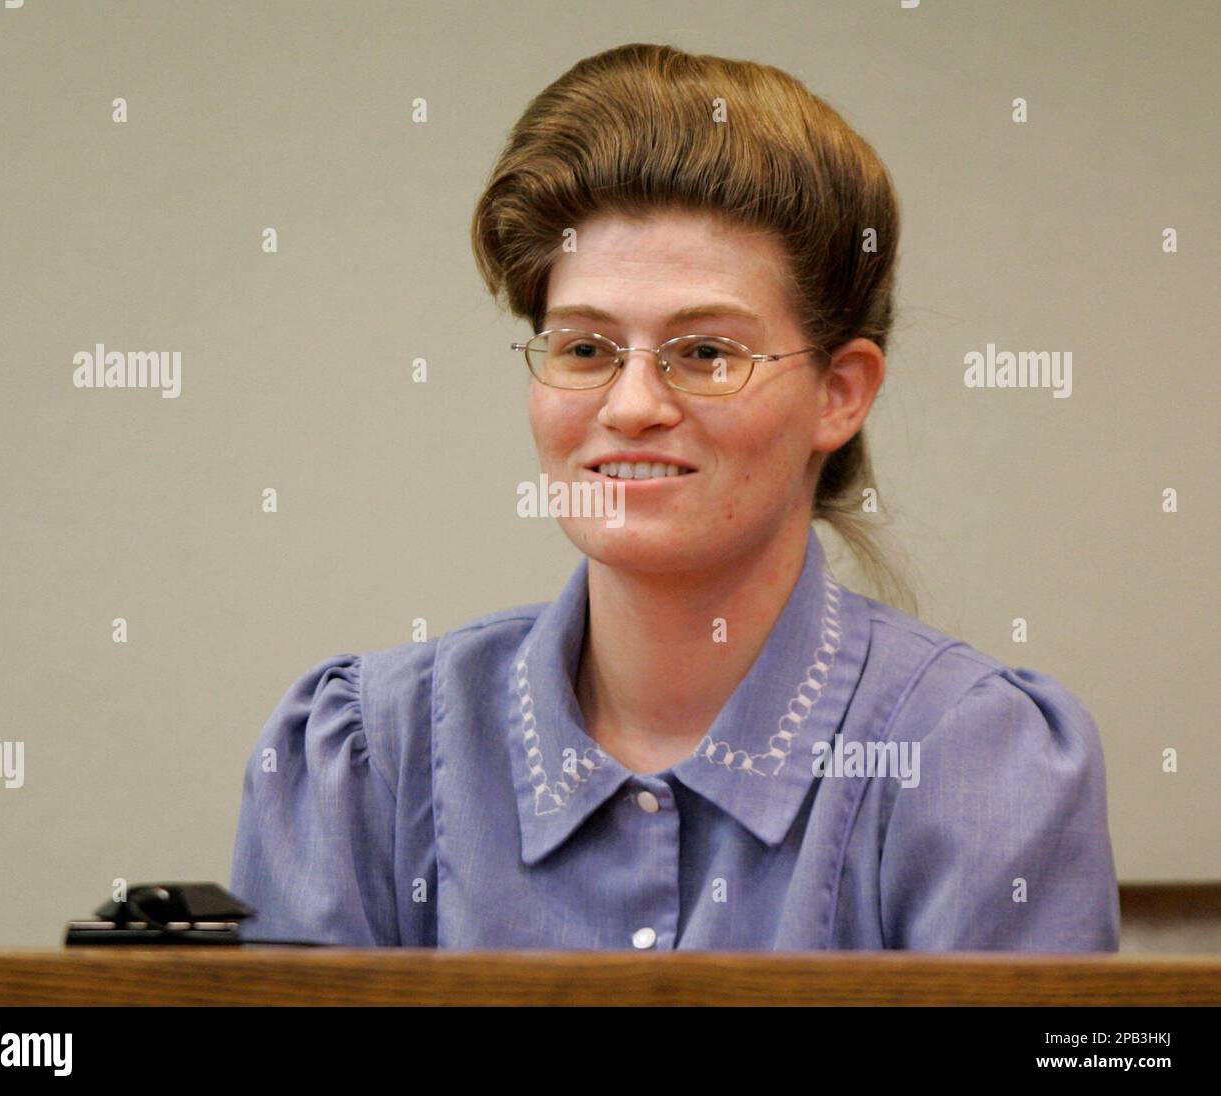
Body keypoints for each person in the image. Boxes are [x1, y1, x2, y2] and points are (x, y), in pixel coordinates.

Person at [229, 43, 1119, 951]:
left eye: (705, 353)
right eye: (584, 349)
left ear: (840, 393)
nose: (632, 406)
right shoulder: (368, 755)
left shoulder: (977, 762)